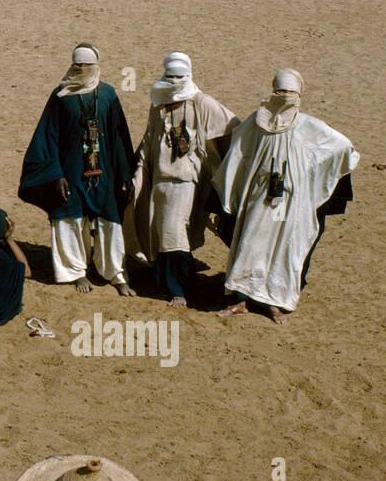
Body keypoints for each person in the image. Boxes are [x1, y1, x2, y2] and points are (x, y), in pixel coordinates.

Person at [212, 69, 358, 323]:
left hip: (290, 202)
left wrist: (310, 175)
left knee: (283, 248)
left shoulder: (309, 126)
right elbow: (238, 152)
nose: (285, 96)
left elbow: (342, 147)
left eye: (290, 92)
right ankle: (241, 299)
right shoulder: (256, 123)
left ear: (298, 95)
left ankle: (274, 303)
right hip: (259, 197)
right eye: (280, 91)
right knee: (251, 244)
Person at [18, 44, 136, 294]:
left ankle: (115, 273)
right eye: (76, 64)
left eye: (86, 65)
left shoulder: (108, 95)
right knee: (70, 219)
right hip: (70, 172)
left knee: (109, 221)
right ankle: (76, 272)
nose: (80, 68)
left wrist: (125, 174)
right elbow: (48, 137)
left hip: (103, 171)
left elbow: (118, 137)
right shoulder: (61, 96)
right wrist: (56, 174)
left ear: (95, 66)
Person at [129, 52, 237, 306]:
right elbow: (149, 139)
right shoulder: (159, 104)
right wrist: (138, 169)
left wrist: (225, 164)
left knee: (175, 231)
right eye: (171, 77)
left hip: (186, 180)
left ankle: (179, 288)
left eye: (180, 77)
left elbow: (232, 127)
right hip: (160, 178)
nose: (175, 81)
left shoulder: (201, 102)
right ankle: (166, 281)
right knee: (160, 230)